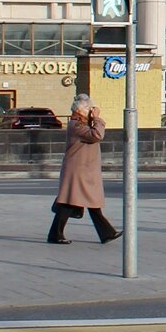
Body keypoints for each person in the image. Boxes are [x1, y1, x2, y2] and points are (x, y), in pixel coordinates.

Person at [48, 94, 122, 245]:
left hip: (84, 169)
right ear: (79, 110)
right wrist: (97, 119)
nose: (90, 111)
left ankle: (107, 233)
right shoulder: (76, 125)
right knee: (71, 201)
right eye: (87, 108)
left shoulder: (82, 123)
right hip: (78, 170)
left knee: (83, 201)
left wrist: (93, 119)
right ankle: (55, 235)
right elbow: (97, 135)